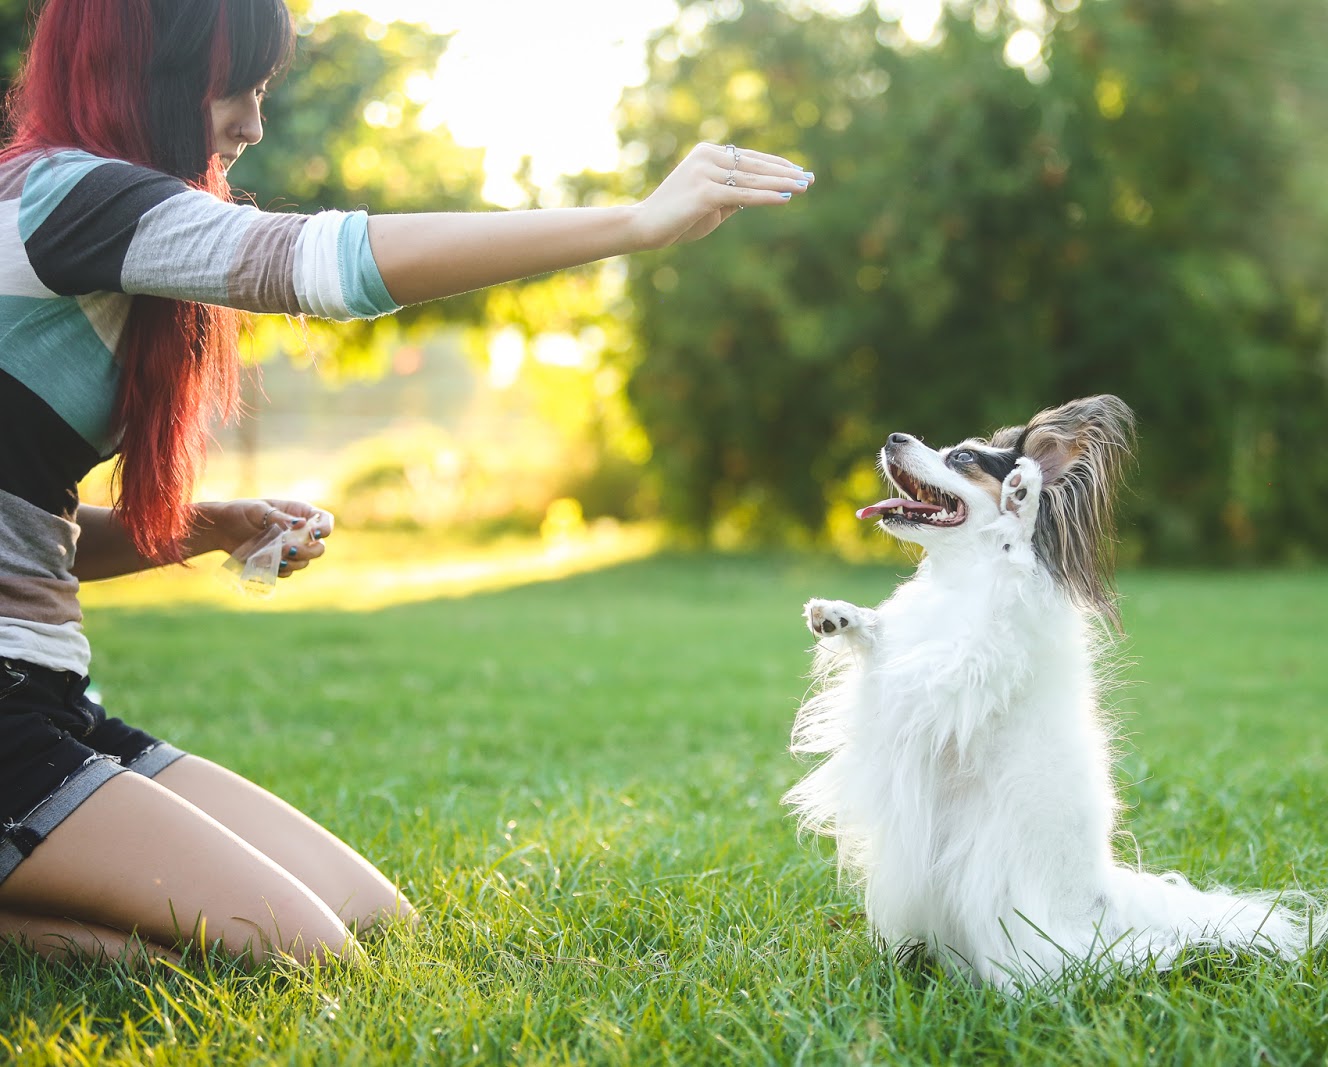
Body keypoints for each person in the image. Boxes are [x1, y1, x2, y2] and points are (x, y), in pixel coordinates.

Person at [0, 0, 813, 966]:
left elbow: (30, 539)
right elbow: (314, 264)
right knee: (298, 955)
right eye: (232, 90)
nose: (253, 125)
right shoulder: (61, 197)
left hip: (48, 692)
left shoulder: (78, 219)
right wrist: (635, 223)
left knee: (377, 923)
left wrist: (212, 525)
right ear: (145, 74)